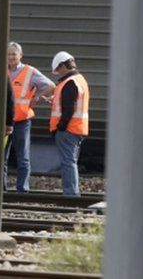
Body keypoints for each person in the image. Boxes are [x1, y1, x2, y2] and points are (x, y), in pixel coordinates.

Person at [4, 42, 55, 193]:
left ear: (20, 55)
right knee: (1, 158)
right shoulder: (0, 70)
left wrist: (38, 96)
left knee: (23, 158)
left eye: (14, 54)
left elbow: (51, 86)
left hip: (21, 121)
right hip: (3, 121)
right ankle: (1, 189)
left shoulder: (29, 72)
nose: (11, 57)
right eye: (9, 54)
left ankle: (22, 189)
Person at [49, 51, 90, 196]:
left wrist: (60, 128)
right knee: (70, 162)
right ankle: (72, 193)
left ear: (63, 66)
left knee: (68, 163)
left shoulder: (70, 83)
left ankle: (71, 194)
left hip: (68, 130)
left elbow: (68, 109)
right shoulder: (79, 80)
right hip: (77, 129)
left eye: (58, 69)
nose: (58, 72)